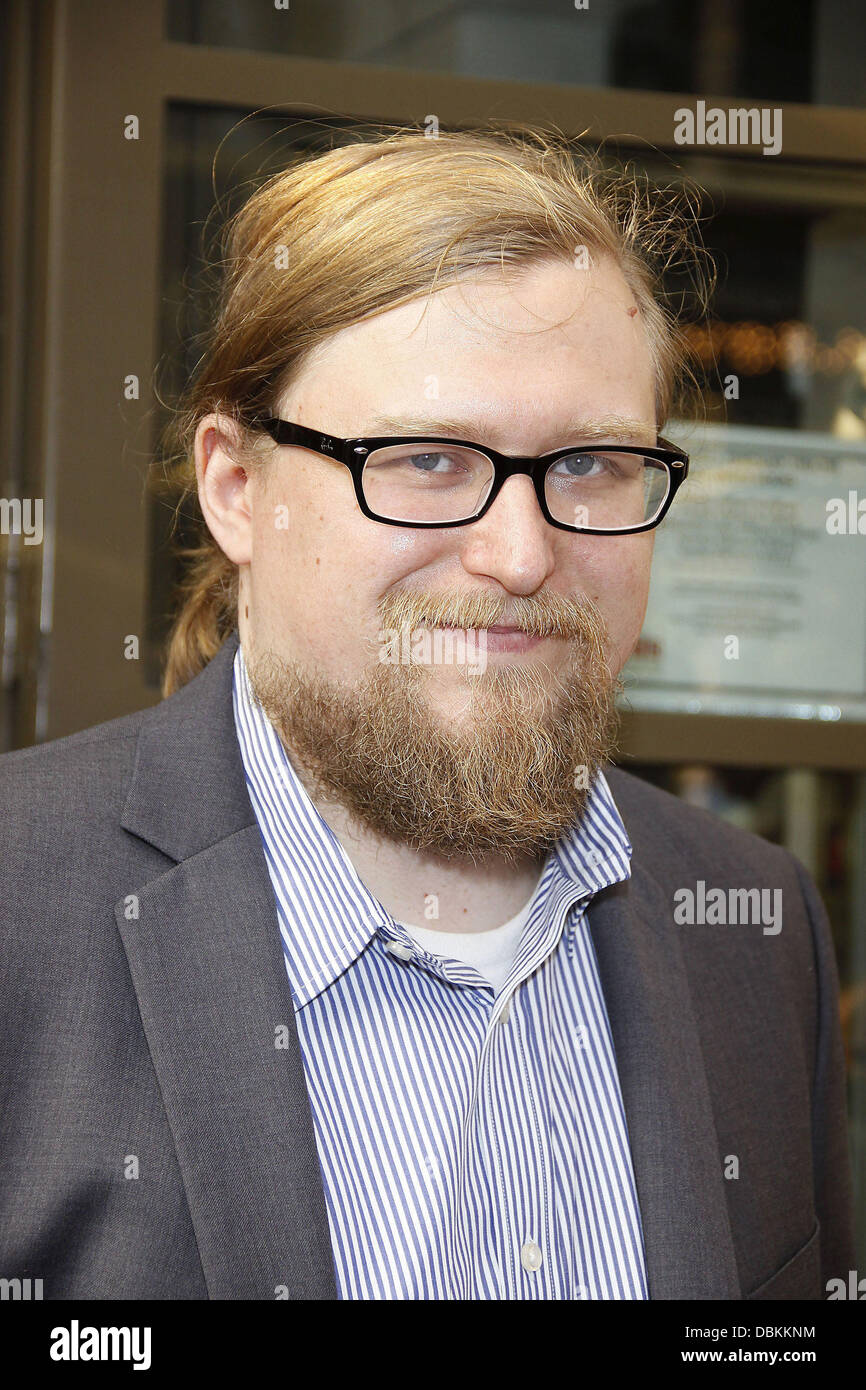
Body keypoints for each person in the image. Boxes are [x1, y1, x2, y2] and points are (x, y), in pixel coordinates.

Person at [0, 125, 854, 1300]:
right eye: (426, 461)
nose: (519, 554)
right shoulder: (19, 910)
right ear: (237, 489)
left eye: (592, 465)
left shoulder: (751, 929)